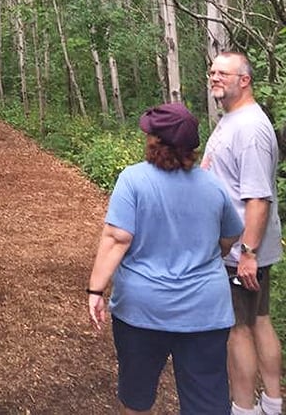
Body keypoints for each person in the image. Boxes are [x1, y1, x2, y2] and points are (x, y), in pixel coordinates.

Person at [88, 102, 243, 415]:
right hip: (205, 311)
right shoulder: (213, 186)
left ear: (155, 141)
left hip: (142, 310)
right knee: (207, 400)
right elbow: (229, 239)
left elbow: (118, 238)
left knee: (137, 394)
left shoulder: (132, 180)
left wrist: (95, 289)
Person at [202, 52, 283, 415]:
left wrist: (247, 252)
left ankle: (244, 408)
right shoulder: (235, 119)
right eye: (213, 71)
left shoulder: (249, 128)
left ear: (244, 80)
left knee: (239, 329)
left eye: (223, 73)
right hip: (245, 248)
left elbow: (257, 198)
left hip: (241, 251)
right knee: (259, 319)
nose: (214, 77)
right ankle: (272, 402)